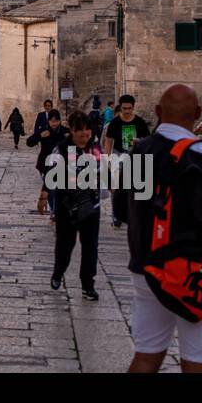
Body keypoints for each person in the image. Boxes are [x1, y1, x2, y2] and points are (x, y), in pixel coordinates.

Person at [127, 85, 202, 374]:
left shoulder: (139, 152)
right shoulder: (200, 155)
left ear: (156, 112)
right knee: (197, 361)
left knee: (146, 356)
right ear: (199, 115)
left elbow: (125, 210)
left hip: (147, 269)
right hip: (192, 273)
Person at [50, 112, 102, 300]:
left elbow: (102, 170)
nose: (84, 133)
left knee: (91, 247)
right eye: (80, 130)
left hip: (91, 206)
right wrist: (44, 194)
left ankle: (88, 285)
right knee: (66, 244)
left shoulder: (94, 148)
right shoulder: (62, 149)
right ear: (71, 130)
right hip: (67, 207)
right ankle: (58, 271)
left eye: (87, 129)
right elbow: (52, 175)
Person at [105, 94, 151, 228]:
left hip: (134, 156)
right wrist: (107, 160)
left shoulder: (139, 122)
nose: (126, 111)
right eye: (124, 108)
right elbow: (108, 142)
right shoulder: (114, 123)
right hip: (118, 155)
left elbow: (148, 140)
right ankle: (116, 216)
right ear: (120, 108)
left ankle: (134, 214)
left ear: (133, 107)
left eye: (129, 108)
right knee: (115, 188)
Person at [27, 105, 66, 216]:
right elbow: (29, 142)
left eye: (56, 121)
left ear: (59, 121)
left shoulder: (64, 131)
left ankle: (56, 210)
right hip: (45, 165)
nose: (54, 124)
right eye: (52, 121)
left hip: (61, 165)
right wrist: (39, 136)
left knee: (59, 188)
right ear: (48, 121)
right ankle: (54, 210)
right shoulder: (44, 131)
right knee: (51, 188)